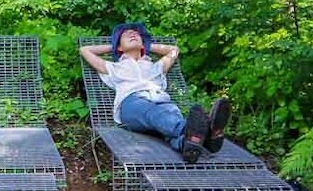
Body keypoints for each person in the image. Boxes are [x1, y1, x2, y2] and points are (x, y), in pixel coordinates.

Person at [79, 22, 231, 163]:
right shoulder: (113, 67)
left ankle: (189, 143)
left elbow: (173, 50)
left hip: (163, 102)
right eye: (127, 35)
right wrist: (114, 46)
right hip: (132, 105)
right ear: (119, 47)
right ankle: (205, 130)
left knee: (168, 124)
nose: (133, 35)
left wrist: (146, 45)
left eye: (137, 35)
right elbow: (84, 50)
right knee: (156, 114)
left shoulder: (156, 67)